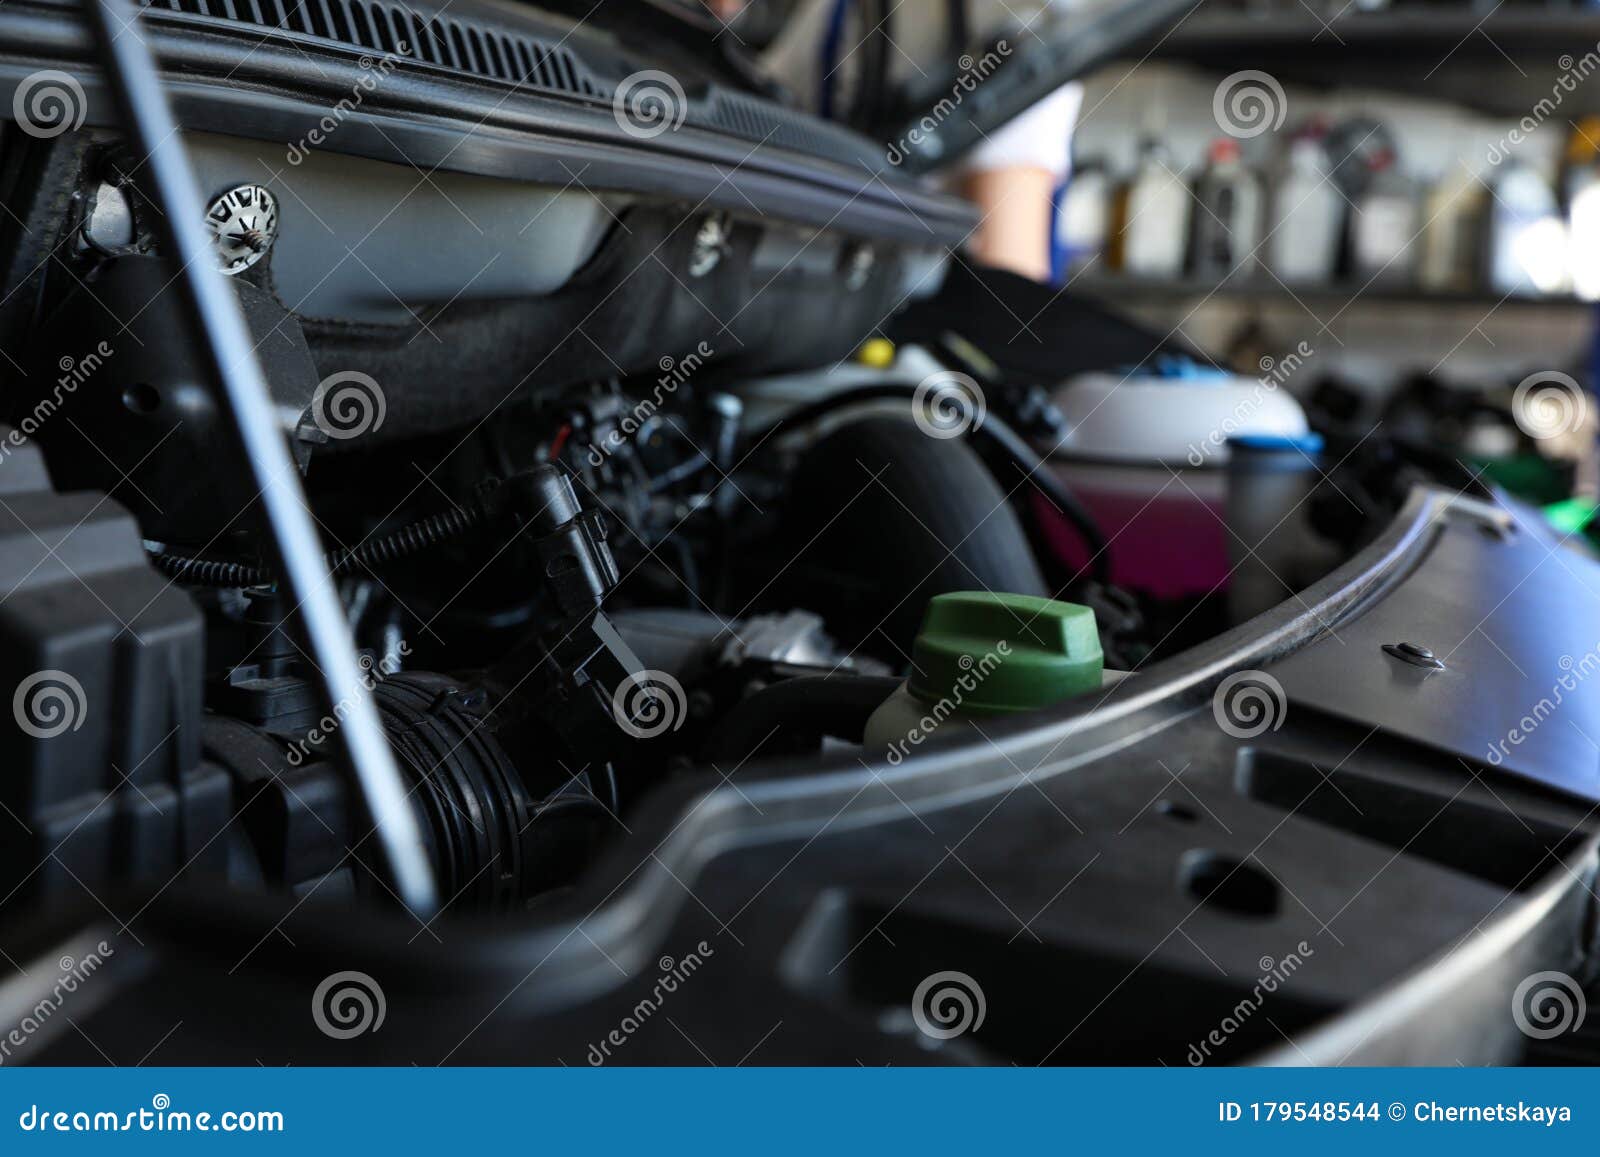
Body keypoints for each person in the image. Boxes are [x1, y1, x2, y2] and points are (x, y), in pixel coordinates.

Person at [711, 0, 1083, 281]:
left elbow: (752, 122)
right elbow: (1008, 271)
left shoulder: (834, 11)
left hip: (801, 304)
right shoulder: (1019, 22)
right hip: (921, 335)